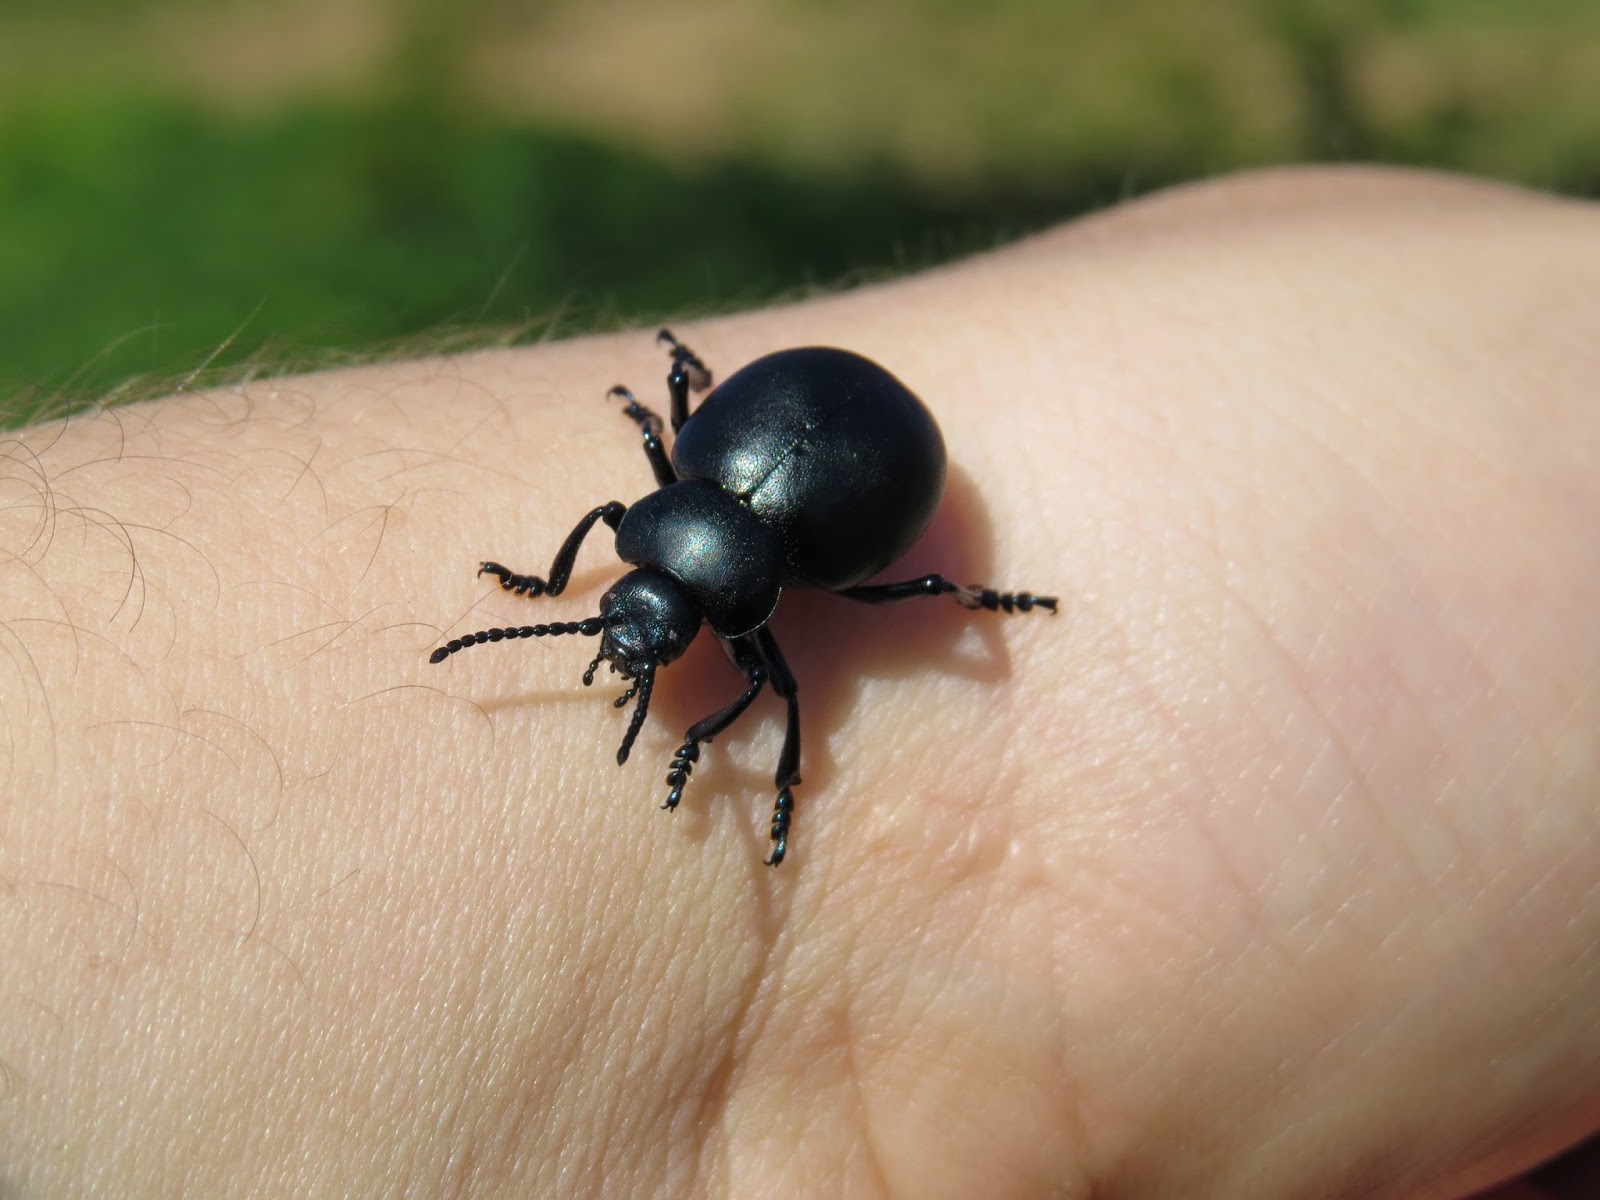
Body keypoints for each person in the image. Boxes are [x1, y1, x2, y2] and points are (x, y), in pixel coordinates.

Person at [2, 165, 1596, 1197]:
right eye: (619, 611)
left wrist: (738, 764)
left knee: (870, 630)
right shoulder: (681, 537)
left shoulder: (731, 584)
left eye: (619, 613)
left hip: (842, 446)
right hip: (799, 437)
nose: (635, 637)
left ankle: (973, 598)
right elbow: (695, 603)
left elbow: (769, 694)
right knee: (772, 614)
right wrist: (592, 608)